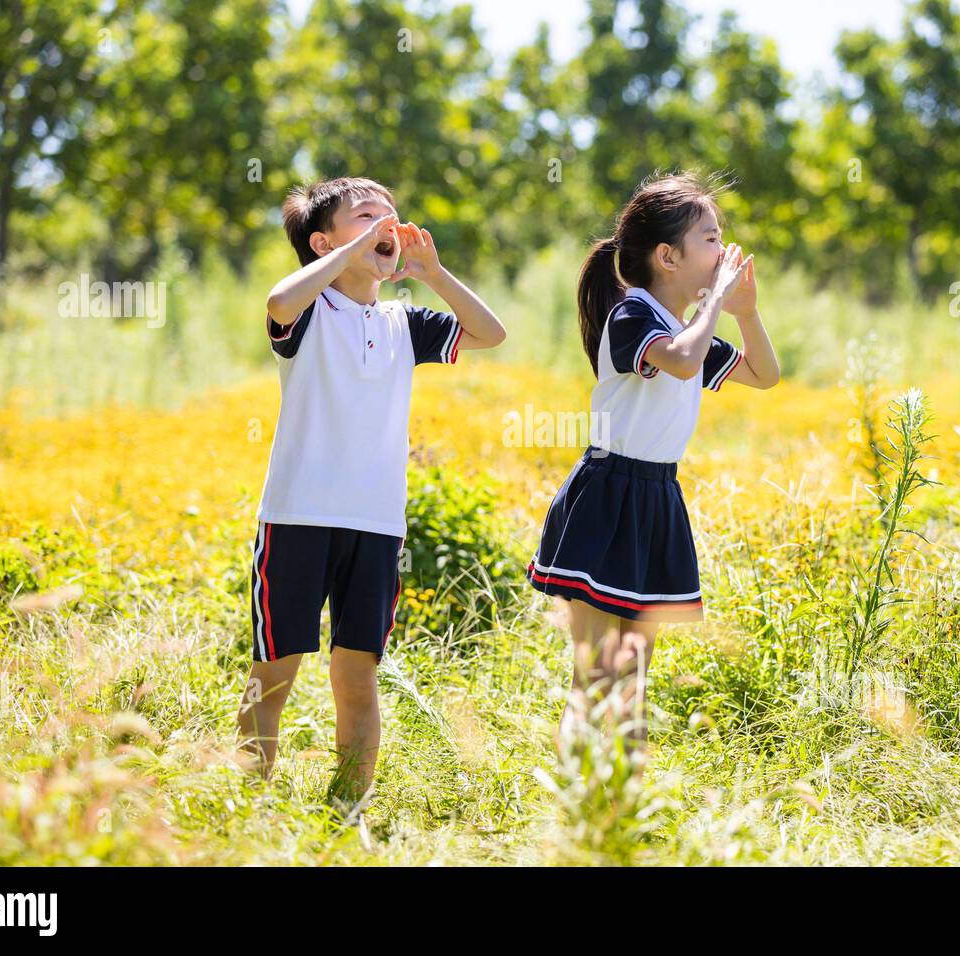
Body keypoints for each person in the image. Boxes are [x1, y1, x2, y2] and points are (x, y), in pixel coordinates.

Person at [236, 176, 506, 809]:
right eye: (367, 216)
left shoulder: (401, 321)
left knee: (357, 678)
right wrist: (345, 257)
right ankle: (246, 806)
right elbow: (277, 300)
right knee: (273, 675)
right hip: (298, 517)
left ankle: (346, 810)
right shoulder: (307, 313)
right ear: (323, 240)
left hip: (377, 524)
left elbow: (489, 333)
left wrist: (433, 271)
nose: (388, 226)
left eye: (392, 215)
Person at [526, 170, 780, 762]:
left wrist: (744, 311)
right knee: (595, 676)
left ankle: (622, 809)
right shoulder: (633, 318)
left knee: (634, 677)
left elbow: (765, 375)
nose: (723, 251)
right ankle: (580, 809)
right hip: (606, 494)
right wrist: (716, 300)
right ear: (668, 256)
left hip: (657, 498)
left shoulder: (684, 327)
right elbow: (685, 363)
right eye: (711, 240)